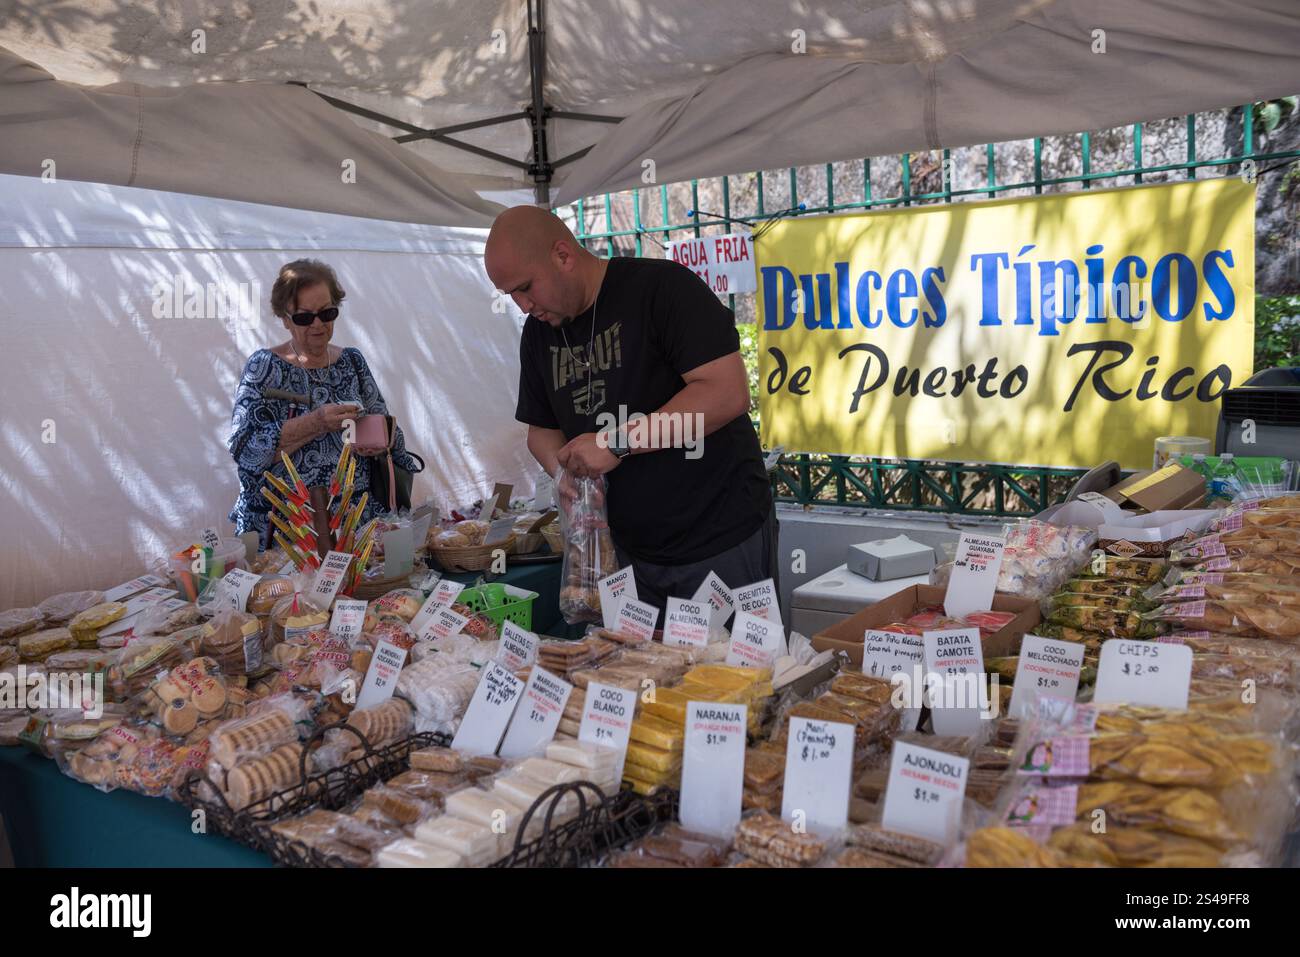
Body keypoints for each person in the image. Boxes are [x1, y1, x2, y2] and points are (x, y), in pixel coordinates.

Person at [484, 206, 777, 620]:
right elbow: (542, 432)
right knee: (642, 677)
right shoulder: (538, 336)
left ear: (563, 255)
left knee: (735, 679)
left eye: (526, 287)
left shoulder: (661, 289)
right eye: (510, 295)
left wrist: (615, 442)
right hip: (625, 554)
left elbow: (725, 393)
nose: (523, 305)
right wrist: (564, 474)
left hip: (717, 538)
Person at [228, 259, 419, 546]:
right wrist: (317, 423)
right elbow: (244, 450)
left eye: (327, 313)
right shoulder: (264, 368)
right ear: (284, 318)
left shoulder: (352, 361)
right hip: (290, 528)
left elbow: (389, 432)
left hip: (356, 521)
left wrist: (378, 439)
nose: (318, 324)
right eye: (305, 317)